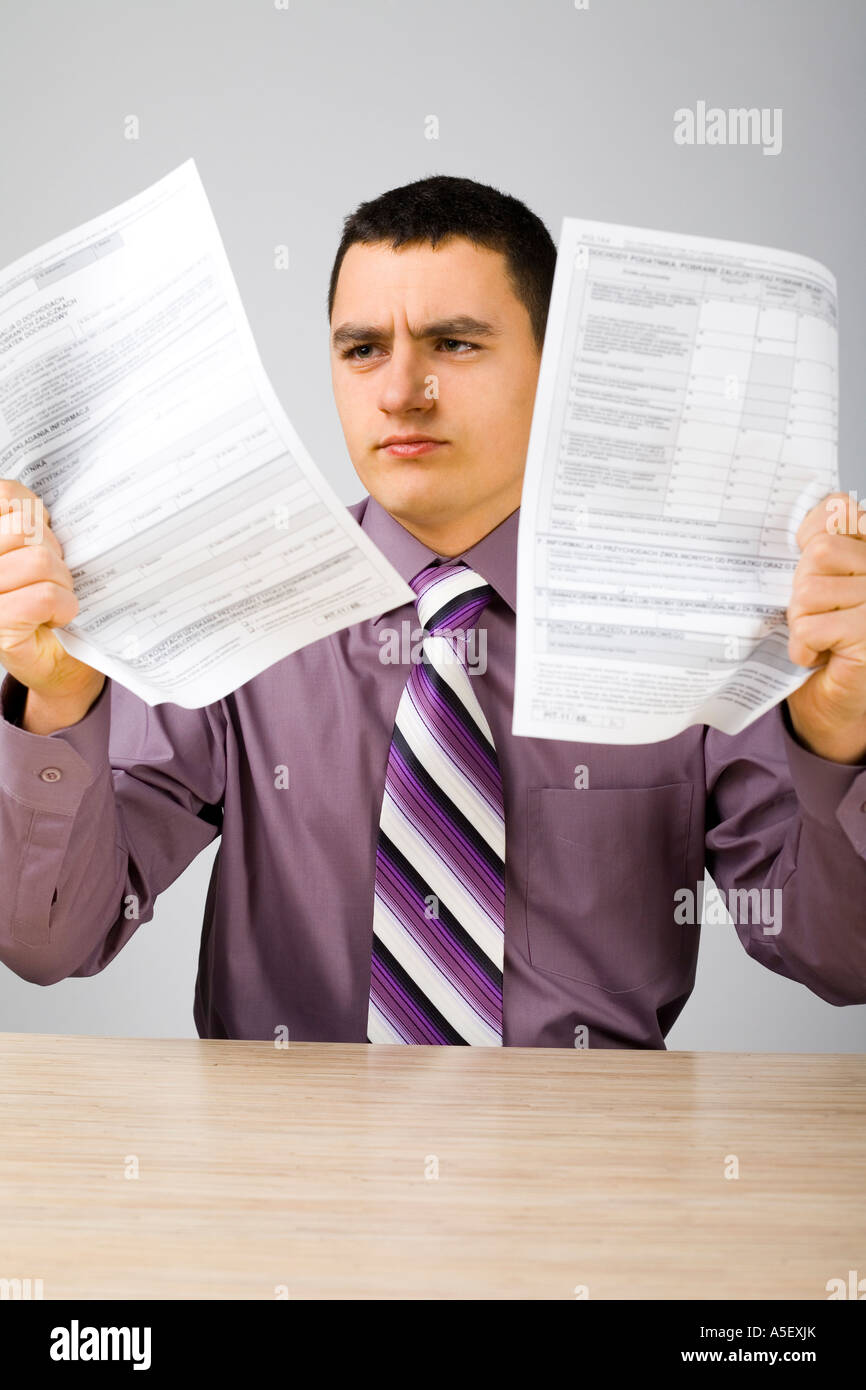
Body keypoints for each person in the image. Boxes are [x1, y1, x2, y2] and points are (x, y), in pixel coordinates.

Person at [1, 174, 865, 1047]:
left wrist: (840, 734)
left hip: (592, 1162)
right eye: (364, 349)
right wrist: (59, 703)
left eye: (453, 344)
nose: (400, 391)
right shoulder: (235, 600)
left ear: (556, 364)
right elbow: (50, 940)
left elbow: (841, 959)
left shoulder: (691, 619)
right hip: (281, 1166)